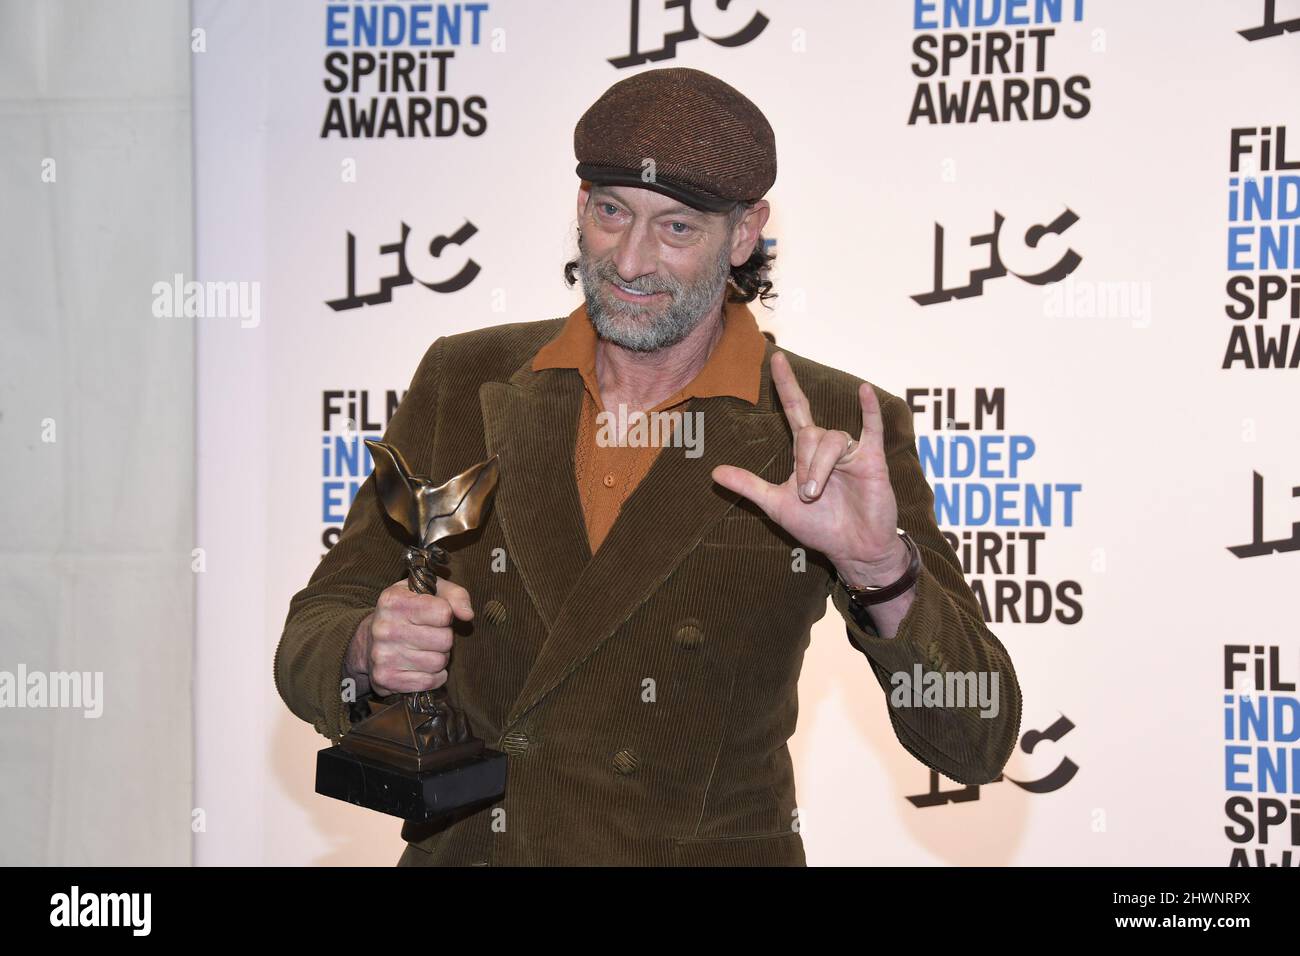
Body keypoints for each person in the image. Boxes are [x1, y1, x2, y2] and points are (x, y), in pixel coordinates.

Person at [275, 67, 1021, 866]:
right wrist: (364, 648)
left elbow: (974, 740)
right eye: (610, 213)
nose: (630, 260)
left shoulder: (831, 423)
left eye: (676, 229)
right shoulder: (464, 379)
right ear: (580, 208)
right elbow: (313, 632)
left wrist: (880, 569)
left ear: (743, 234)